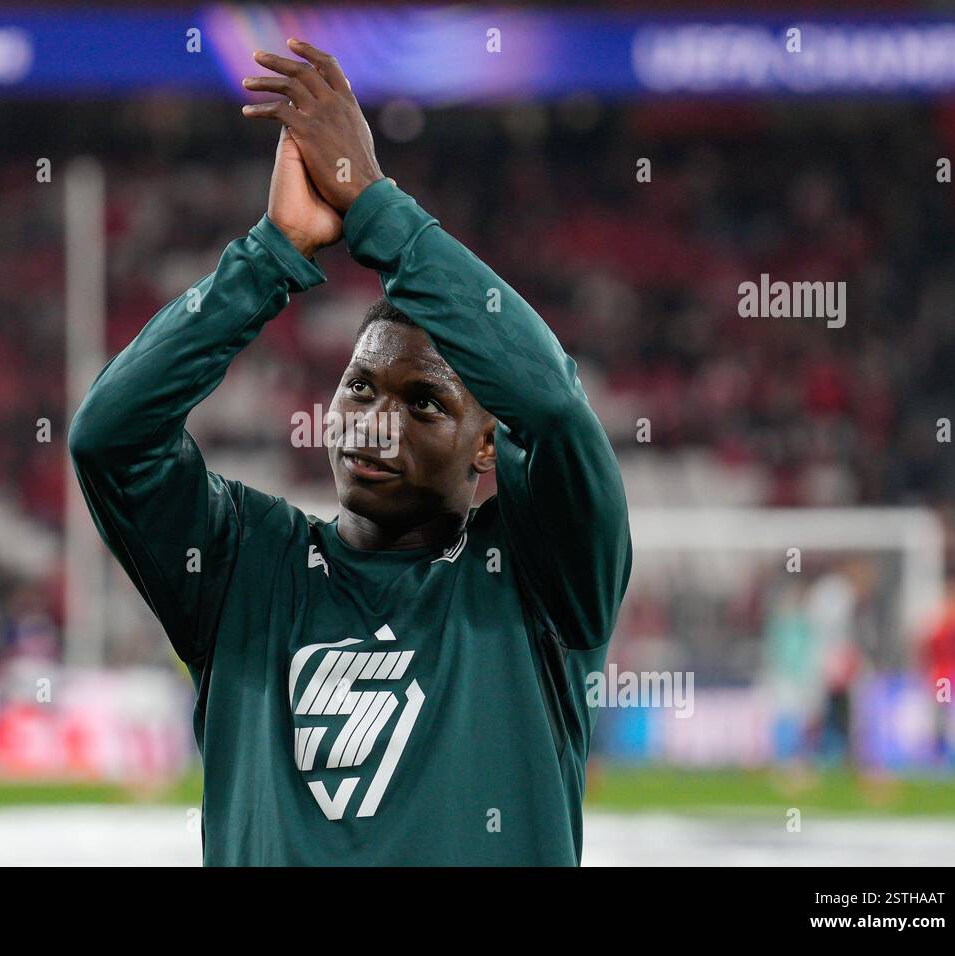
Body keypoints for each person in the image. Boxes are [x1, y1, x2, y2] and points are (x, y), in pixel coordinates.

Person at [69, 39, 631, 865]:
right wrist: (271, 255)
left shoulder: (542, 575)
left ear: (488, 444)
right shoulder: (243, 565)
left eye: (425, 402)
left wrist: (375, 208)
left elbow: (551, 404)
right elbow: (109, 439)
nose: (375, 419)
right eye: (361, 388)